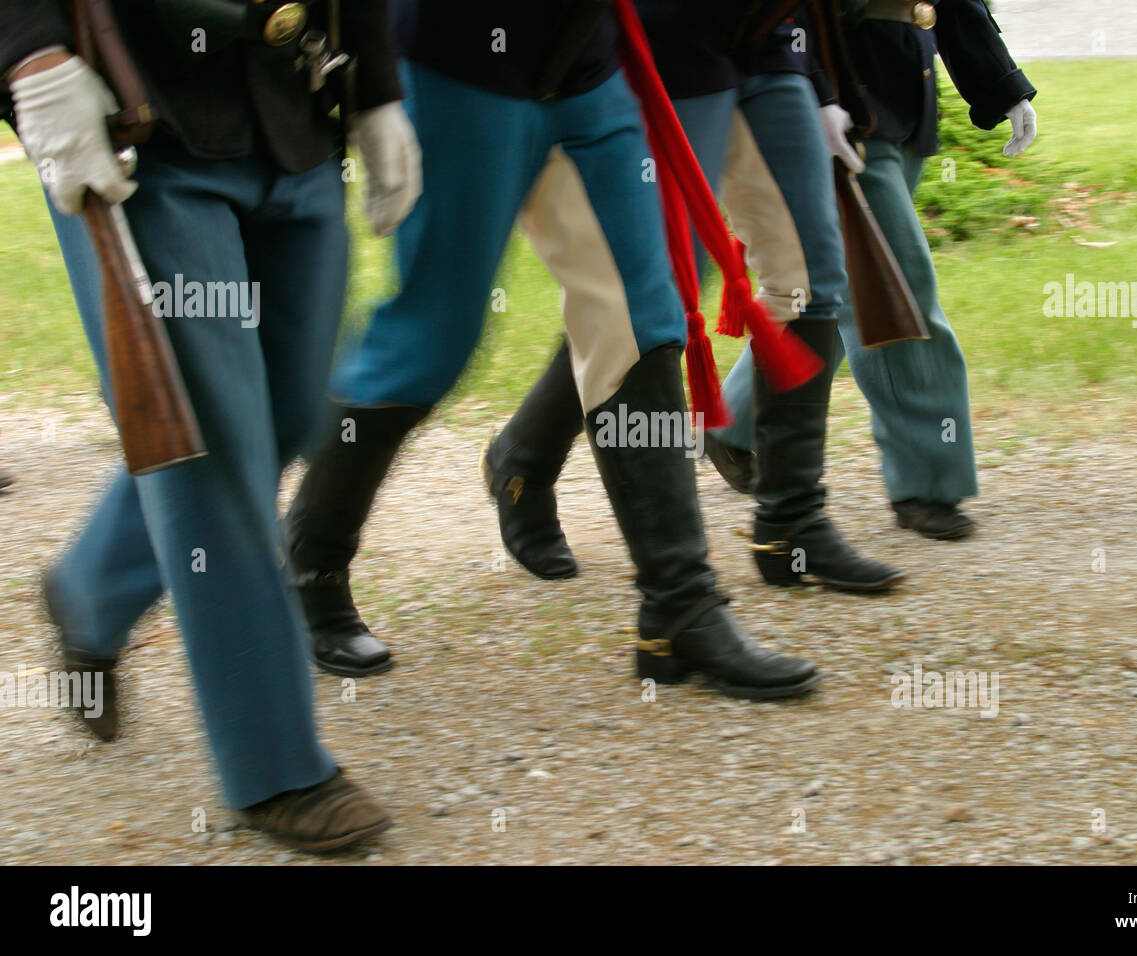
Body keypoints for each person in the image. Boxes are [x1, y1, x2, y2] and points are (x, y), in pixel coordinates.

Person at [284, 0, 821, 700]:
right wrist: (375, 91)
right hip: (459, 62)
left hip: (587, 71)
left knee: (640, 313)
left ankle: (679, 605)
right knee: (432, 340)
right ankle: (313, 562)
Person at [2, 0, 420, 851]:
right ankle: (275, 768)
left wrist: (377, 91)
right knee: (213, 452)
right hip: (136, 111)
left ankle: (91, 588)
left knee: (291, 417)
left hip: (294, 117)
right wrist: (28, 51)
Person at [483, 0, 907, 596]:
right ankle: (524, 459)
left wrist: (821, 81)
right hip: (670, 42)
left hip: (776, 42)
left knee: (810, 277)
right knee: (649, 298)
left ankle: (792, 522)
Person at [706, 0, 1038, 541]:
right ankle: (926, 482)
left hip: (904, 98)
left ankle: (735, 422)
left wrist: (1004, 86)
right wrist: (819, 95)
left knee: (843, 294)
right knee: (895, 298)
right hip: (840, 104)